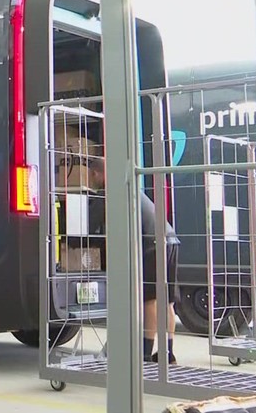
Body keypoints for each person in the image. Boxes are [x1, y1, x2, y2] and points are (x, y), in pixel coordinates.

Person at [88, 155, 181, 363]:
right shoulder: (129, 187)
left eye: (90, 176)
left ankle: (144, 354)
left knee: (150, 299)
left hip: (152, 243)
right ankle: (167, 353)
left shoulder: (109, 191)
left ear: (96, 174)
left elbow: (90, 226)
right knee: (166, 300)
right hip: (170, 239)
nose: (90, 181)